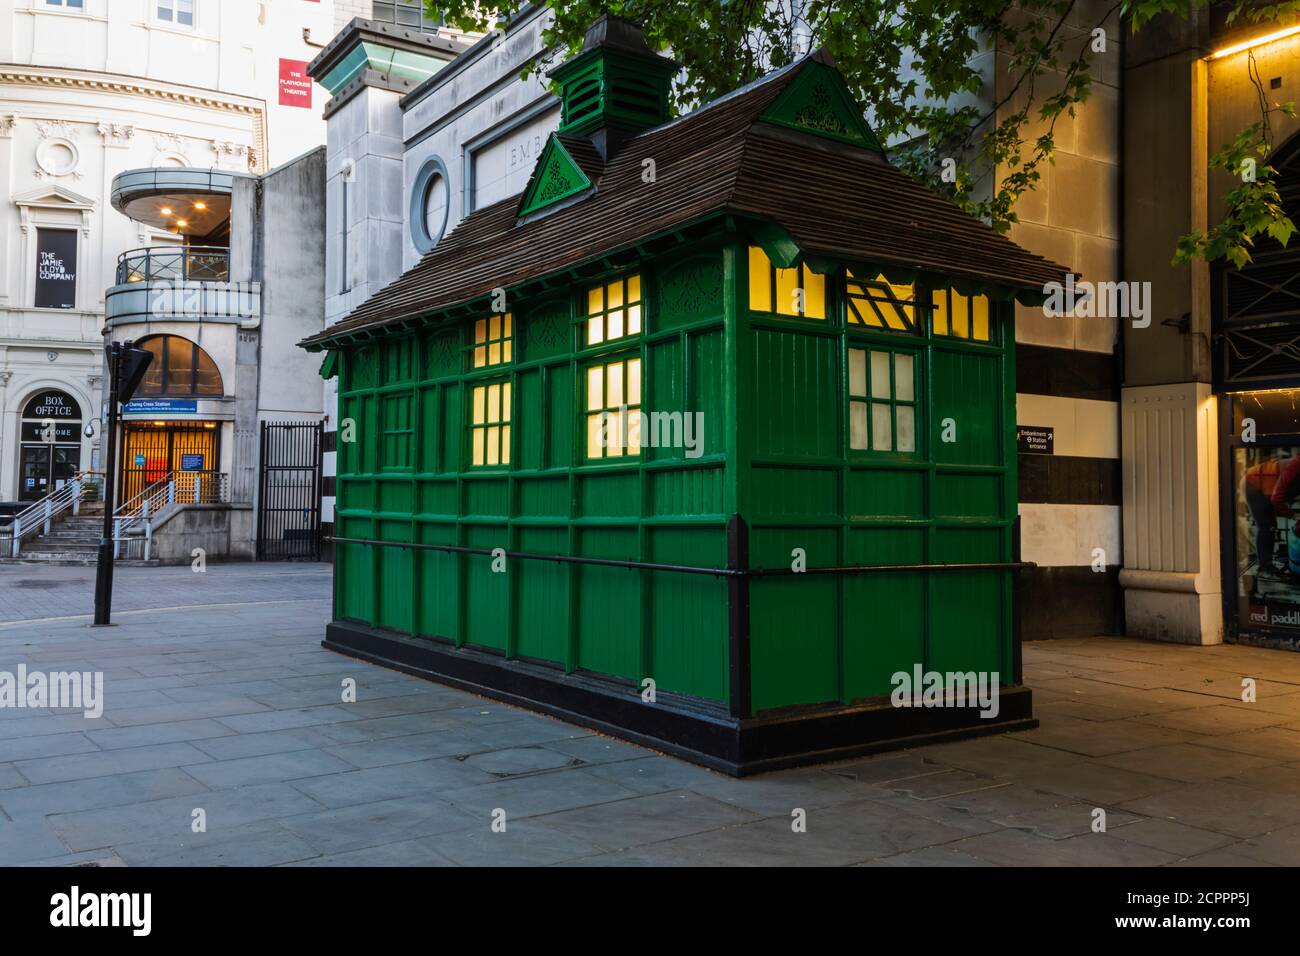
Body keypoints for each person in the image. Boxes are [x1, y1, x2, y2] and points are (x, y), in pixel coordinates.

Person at [1244, 451, 1300, 576]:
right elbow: (1276, 498)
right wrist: (1291, 514)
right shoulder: (1296, 466)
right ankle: (1265, 566)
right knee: (1267, 526)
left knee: (1270, 525)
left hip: (1267, 486)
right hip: (1253, 483)